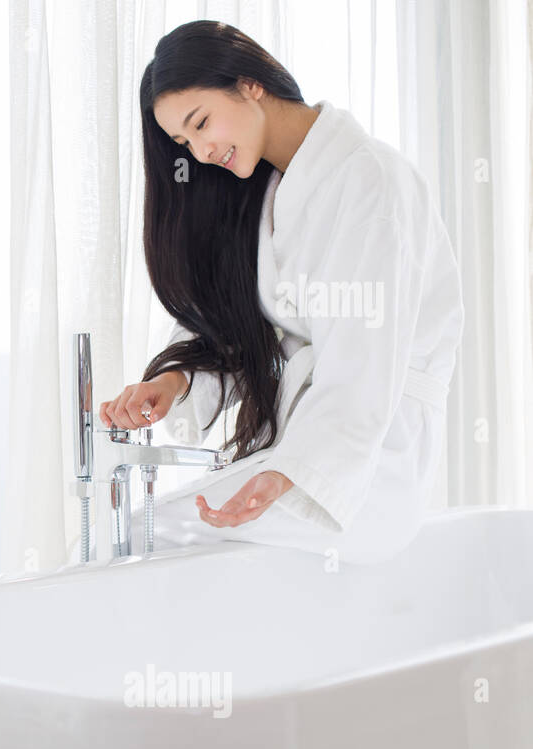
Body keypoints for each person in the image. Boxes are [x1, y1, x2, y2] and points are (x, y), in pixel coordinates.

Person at [98, 20, 463, 564]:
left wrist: (293, 472)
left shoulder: (371, 181)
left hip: (369, 462)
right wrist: (175, 382)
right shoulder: (263, 193)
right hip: (302, 450)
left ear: (250, 83)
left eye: (201, 123)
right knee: (134, 539)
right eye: (184, 142)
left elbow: (362, 364)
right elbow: (237, 328)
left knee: (145, 540)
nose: (200, 151)